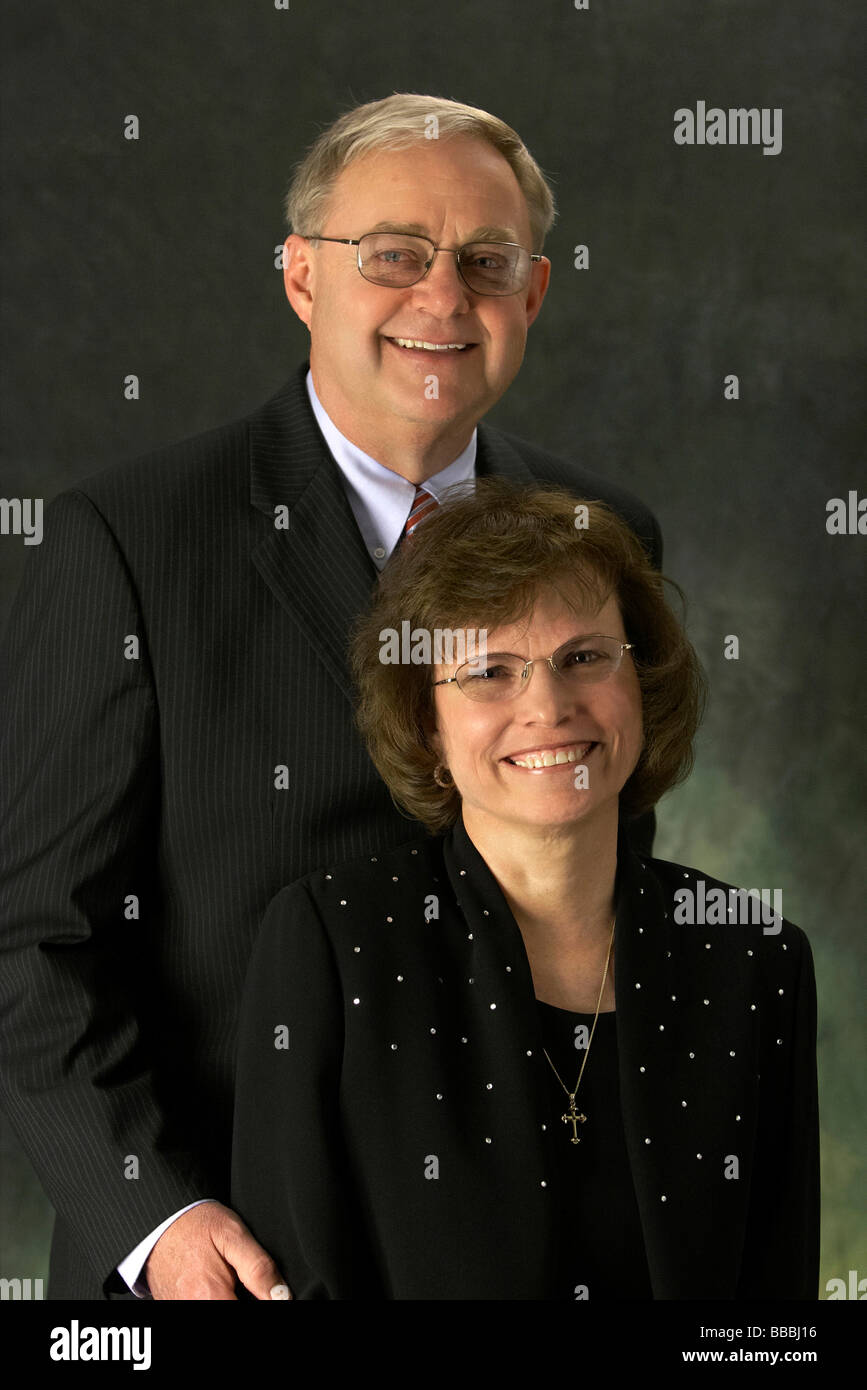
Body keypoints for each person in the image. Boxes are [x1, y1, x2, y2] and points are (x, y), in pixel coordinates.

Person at [0, 93, 663, 1301]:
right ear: (303, 279)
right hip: (231, 1251)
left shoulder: (602, 534)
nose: (442, 299)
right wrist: (155, 1219)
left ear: (535, 294)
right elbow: (29, 933)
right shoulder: (128, 539)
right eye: (395, 255)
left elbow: (609, 895)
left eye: (484, 262)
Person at [230, 479, 820, 1300]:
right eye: (489, 672)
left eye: (583, 657)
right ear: (426, 724)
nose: (546, 705)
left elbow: (773, 1315)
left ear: (641, 685)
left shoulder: (754, 955)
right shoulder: (334, 943)